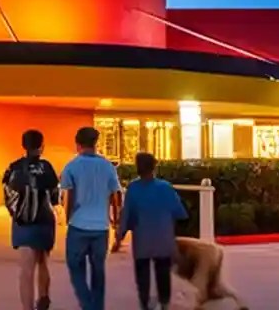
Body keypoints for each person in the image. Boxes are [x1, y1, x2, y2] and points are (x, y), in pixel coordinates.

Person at [112, 152, 187, 310]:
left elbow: (127, 216)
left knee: (142, 273)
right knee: (163, 271)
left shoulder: (133, 189)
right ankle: (164, 302)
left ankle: (144, 302)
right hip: (163, 238)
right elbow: (179, 212)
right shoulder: (165, 187)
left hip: (142, 240)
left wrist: (119, 238)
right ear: (154, 167)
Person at [60, 126, 123, 310]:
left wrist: (68, 218)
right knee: (98, 270)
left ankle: (88, 304)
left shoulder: (71, 166)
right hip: (101, 227)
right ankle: (97, 306)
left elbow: (69, 196)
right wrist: (115, 220)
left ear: (77, 144)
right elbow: (116, 195)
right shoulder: (108, 166)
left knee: (75, 267)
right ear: (96, 143)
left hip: (78, 225)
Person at [3, 129, 60, 310]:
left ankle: (27, 307)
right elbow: (54, 197)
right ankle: (43, 297)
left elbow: (7, 196)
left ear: (23, 145)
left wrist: (16, 213)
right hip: (44, 221)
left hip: (23, 223)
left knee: (26, 270)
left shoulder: (14, 168)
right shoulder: (47, 167)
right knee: (42, 261)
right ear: (41, 146)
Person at [173, 237, 249, 309]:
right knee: (217, 288)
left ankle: (195, 307)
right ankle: (241, 303)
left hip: (204, 253)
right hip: (213, 250)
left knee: (198, 288)